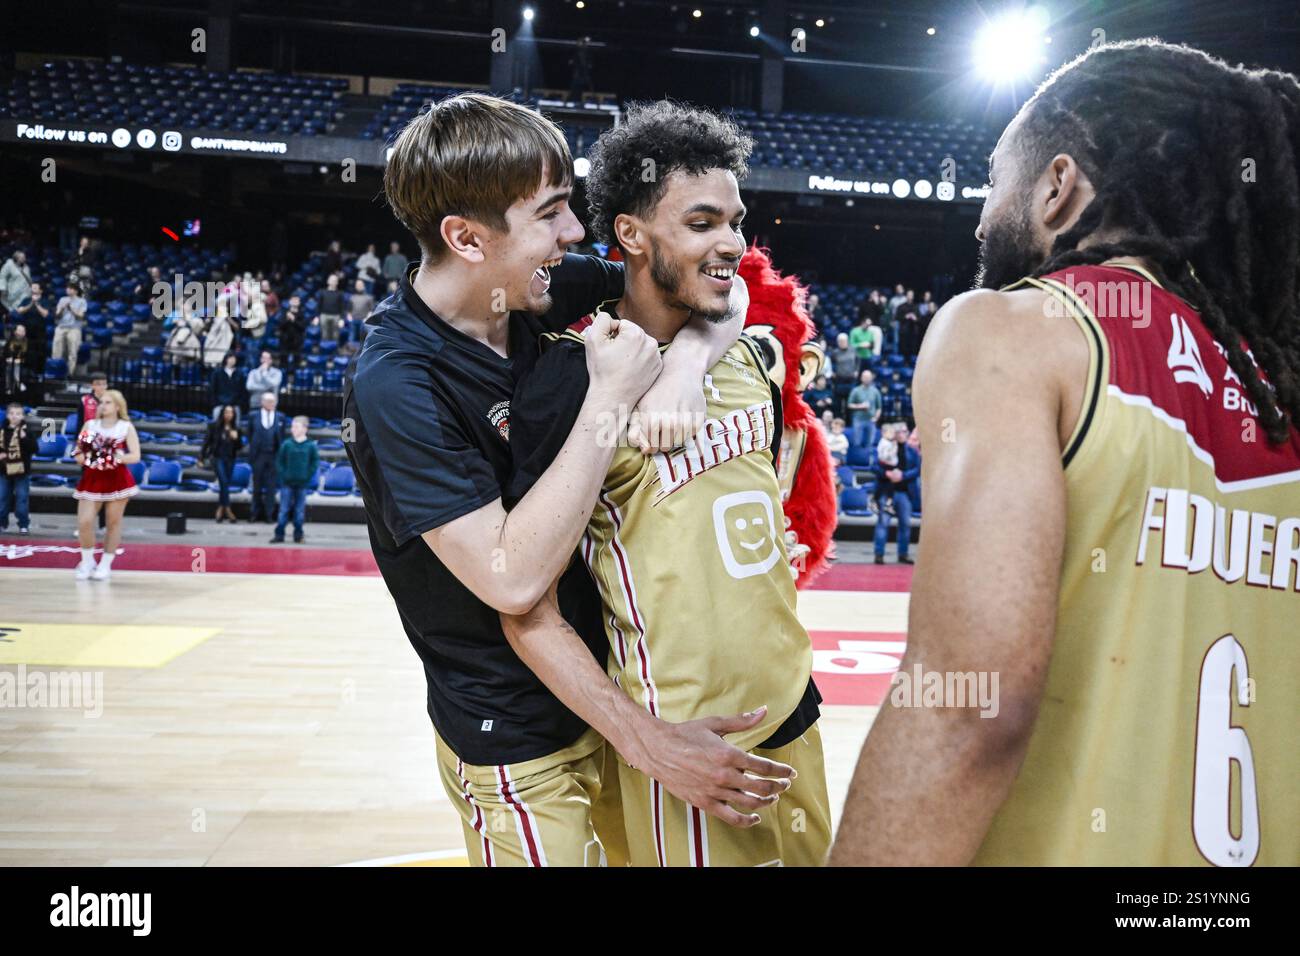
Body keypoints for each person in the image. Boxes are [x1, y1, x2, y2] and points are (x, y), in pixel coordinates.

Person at [832, 39, 1300, 866]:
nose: (981, 215)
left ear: (1056, 187)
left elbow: (971, 706)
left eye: (992, 181)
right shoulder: (1280, 385)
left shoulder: (1014, 331)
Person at [344, 92, 767, 869]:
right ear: (467, 237)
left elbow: (717, 283)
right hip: (511, 738)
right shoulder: (398, 386)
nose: (577, 234)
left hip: (605, 694)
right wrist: (608, 399)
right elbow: (511, 580)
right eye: (551, 213)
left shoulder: (540, 287)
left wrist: (685, 367)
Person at [504, 100, 830, 867]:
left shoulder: (751, 356)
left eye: (736, 221)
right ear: (630, 234)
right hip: (685, 743)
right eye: (702, 223)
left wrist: (688, 362)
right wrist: (645, 739)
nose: (731, 245)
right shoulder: (570, 377)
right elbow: (526, 596)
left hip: (795, 709)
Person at [71, 389, 140, 581]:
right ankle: (87, 561)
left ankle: (105, 564)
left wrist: (117, 458)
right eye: (101, 402)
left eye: (108, 402)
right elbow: (78, 452)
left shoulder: (125, 427)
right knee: (84, 522)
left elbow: (135, 455)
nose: (103, 405)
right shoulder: (90, 425)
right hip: (92, 477)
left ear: (118, 406)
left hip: (117, 479)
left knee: (113, 523)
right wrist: (88, 459)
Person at [870, 421, 916, 566]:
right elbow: (873, 466)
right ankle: (879, 555)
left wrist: (903, 475)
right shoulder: (885, 446)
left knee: (905, 525)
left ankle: (903, 554)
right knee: (883, 523)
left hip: (904, 492)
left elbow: (917, 469)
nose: (903, 433)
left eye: (905, 431)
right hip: (886, 491)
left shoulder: (912, 451)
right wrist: (887, 473)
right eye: (900, 431)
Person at [271, 415, 318, 544]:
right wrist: (284, 475)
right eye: (292, 427)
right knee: (284, 510)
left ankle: (298, 535)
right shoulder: (287, 444)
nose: (293, 429)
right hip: (287, 483)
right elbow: (279, 462)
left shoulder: (310, 446)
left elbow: (314, 463)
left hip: (302, 484)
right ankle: (279, 534)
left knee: (299, 511)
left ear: (304, 429)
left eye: (296, 426)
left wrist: (307, 475)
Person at [245, 391, 286, 524]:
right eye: (269, 401)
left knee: (271, 488)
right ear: (262, 402)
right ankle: (254, 513)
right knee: (256, 487)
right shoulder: (253, 416)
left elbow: (282, 437)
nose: (272, 404)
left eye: (273, 401)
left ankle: (269, 515)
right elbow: (250, 435)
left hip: (274, 455)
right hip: (258, 456)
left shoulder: (281, 417)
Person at [203, 404, 243, 523]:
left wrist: (236, 439)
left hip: (230, 458)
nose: (228, 414)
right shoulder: (214, 426)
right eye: (226, 412)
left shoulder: (237, 428)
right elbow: (207, 442)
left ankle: (221, 507)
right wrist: (201, 457)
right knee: (224, 481)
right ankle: (228, 510)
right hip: (217, 458)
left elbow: (240, 447)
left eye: (231, 412)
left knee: (225, 484)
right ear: (222, 413)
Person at [0, 402, 36, 534]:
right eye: (12, 414)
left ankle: (23, 523)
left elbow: (34, 449)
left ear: (22, 416)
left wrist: (24, 438)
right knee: (2, 498)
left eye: (18, 414)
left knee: (22, 498)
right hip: (4, 471)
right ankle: (2, 523)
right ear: (8, 415)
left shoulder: (27, 431)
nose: (15, 416)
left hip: (22, 472)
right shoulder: (1, 431)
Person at [52, 282, 86, 376]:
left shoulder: (81, 301)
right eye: (67, 288)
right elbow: (57, 315)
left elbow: (81, 316)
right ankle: (56, 372)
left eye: (70, 288)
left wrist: (71, 309)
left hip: (74, 328)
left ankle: (70, 374)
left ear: (75, 291)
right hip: (61, 327)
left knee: (73, 352)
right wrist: (62, 309)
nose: (68, 290)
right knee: (56, 351)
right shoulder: (62, 299)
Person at [210, 352, 246, 421]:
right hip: (219, 404)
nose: (232, 360)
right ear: (226, 359)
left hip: (235, 405)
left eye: (234, 358)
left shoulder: (240, 374)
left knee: (236, 425)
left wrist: (237, 403)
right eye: (230, 358)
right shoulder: (217, 373)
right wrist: (216, 403)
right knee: (217, 423)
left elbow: (242, 390)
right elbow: (212, 389)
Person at [72, 371, 108, 435]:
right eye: (98, 384)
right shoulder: (84, 400)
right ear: (92, 386)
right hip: (89, 434)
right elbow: (80, 422)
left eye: (104, 384)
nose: (102, 386)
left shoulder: (112, 400)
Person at [0, 251, 32, 315]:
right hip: (12, 294)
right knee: (13, 313)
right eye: (22, 257)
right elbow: (2, 277)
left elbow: (29, 280)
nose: (24, 259)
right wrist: (3, 289)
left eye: (24, 257)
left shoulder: (26, 267)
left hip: (25, 294)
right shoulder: (8, 265)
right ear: (16, 258)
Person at [277, 296, 305, 367]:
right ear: (290, 302)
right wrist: (287, 319)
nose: (295, 302)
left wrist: (293, 319)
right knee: (283, 361)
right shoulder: (284, 312)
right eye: (293, 300)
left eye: (297, 300)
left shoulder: (301, 313)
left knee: (297, 361)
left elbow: (302, 327)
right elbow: (280, 326)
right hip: (285, 339)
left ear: (299, 303)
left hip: (297, 340)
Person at [316, 274, 345, 343]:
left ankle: (334, 351)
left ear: (337, 282)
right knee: (324, 334)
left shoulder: (340, 293)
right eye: (331, 280)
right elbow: (319, 305)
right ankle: (324, 351)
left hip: (336, 316)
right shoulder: (322, 292)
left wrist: (341, 319)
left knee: (335, 335)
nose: (333, 282)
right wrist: (317, 317)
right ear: (328, 281)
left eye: (335, 280)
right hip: (324, 315)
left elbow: (342, 307)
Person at [2, 323, 29, 394]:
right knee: (9, 366)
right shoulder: (9, 342)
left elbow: (30, 358)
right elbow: (4, 354)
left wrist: (21, 360)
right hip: (10, 364)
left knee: (17, 366)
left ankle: (18, 384)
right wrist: (7, 359)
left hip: (23, 364)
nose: (23, 332)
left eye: (24, 331)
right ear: (15, 332)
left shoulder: (28, 343)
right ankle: (8, 388)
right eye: (20, 331)